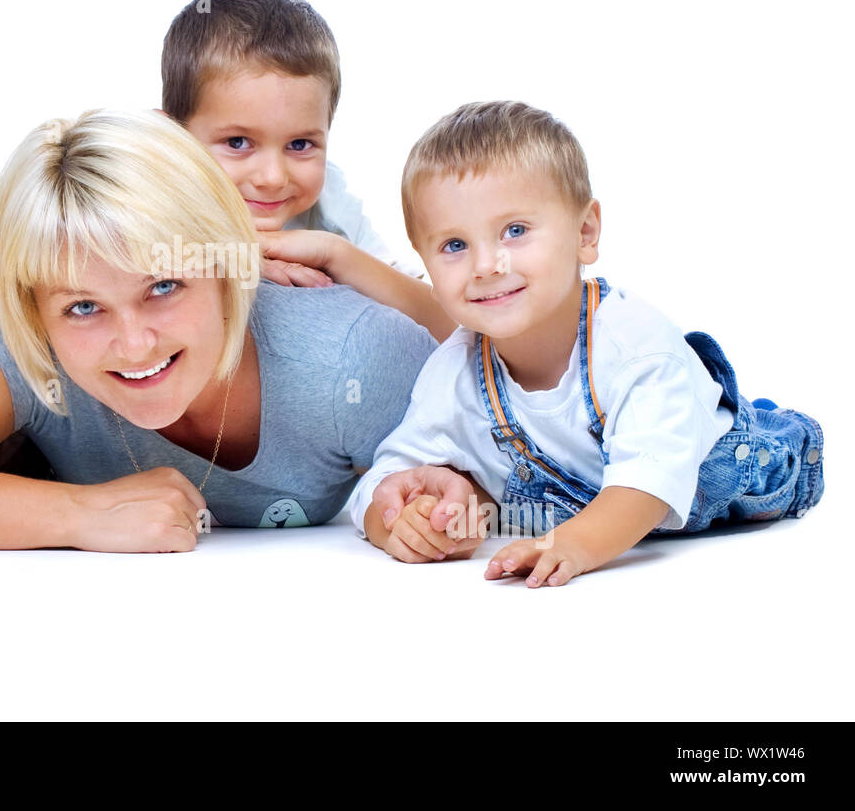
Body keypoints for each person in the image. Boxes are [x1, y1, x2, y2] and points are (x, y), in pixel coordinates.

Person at [0, 109, 436, 550]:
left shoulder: (354, 357)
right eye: (83, 307)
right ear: (36, 311)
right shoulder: (28, 346)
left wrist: (428, 506)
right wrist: (81, 514)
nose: (134, 344)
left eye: (163, 287)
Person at [349, 101, 824, 585]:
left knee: (759, 448)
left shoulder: (633, 344)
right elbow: (385, 476)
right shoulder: (454, 370)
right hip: (595, 493)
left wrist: (573, 543)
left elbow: (649, 478)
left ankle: (743, 415)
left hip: (732, 471)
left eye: (515, 231)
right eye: (454, 245)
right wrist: (396, 518)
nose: (486, 265)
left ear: (584, 232)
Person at [0, 0, 456, 340]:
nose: (272, 176)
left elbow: (445, 322)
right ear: (172, 134)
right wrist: (236, 254)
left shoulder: (330, 208)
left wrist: (335, 254)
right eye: (238, 143)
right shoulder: (141, 186)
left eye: (301, 145)